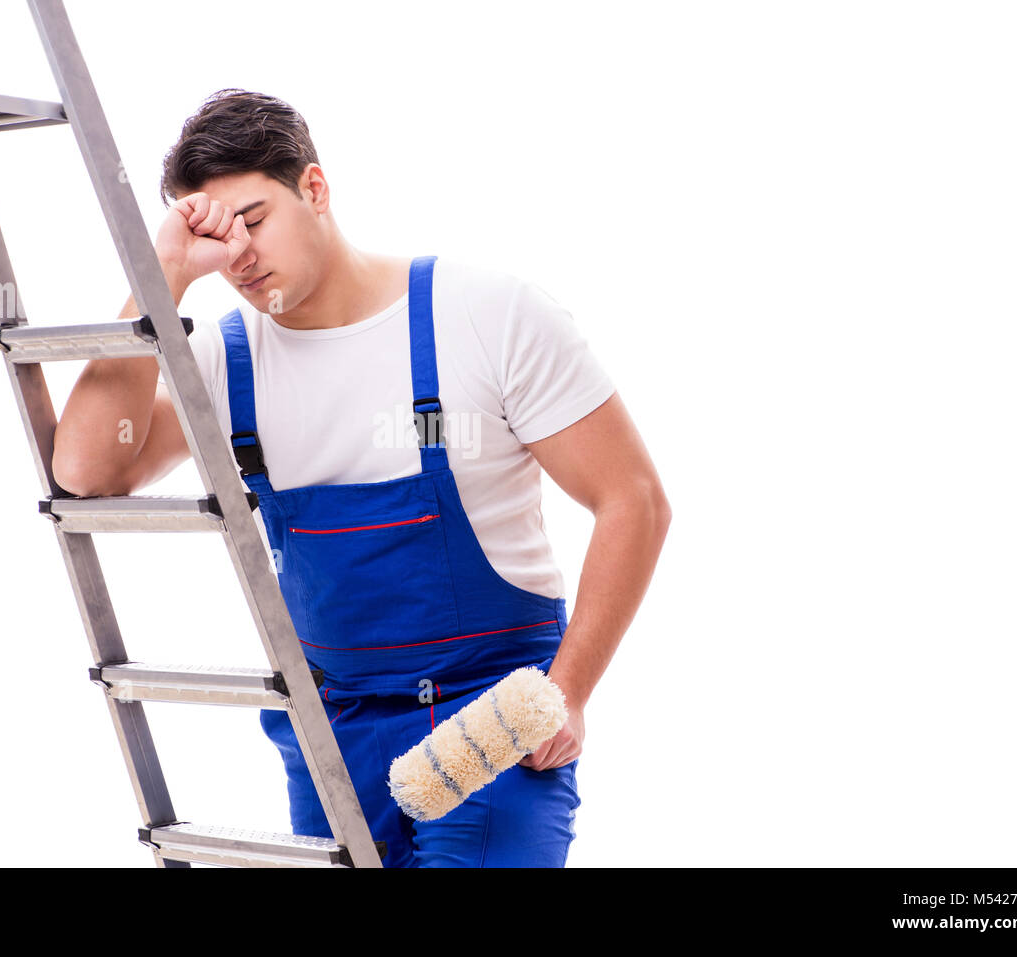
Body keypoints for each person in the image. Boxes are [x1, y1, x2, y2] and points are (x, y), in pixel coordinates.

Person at [51, 88, 671, 867]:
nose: (237, 252)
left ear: (315, 189)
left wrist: (569, 691)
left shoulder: (483, 315)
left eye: (252, 217)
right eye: (213, 231)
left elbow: (634, 500)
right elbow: (83, 470)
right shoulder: (223, 358)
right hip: (330, 732)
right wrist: (164, 273)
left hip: (484, 720)